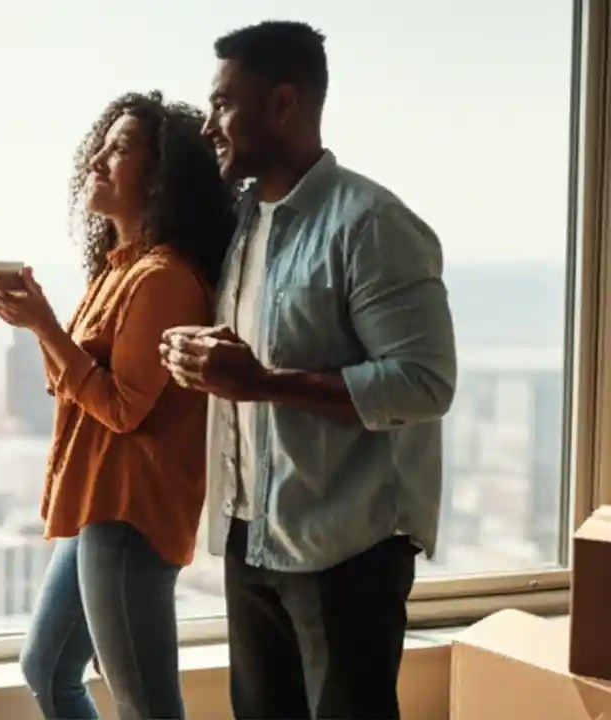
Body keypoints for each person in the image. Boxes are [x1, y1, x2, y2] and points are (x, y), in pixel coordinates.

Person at [160, 21, 457, 720]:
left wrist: (259, 383)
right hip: (250, 537)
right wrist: (207, 363)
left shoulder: (371, 224)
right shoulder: (247, 223)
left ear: (283, 104)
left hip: (346, 553)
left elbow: (425, 382)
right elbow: (262, 359)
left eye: (223, 104)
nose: (209, 126)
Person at [0, 91, 235, 719]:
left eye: (120, 149)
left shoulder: (164, 279)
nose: (97, 158)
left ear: (160, 179)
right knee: (46, 667)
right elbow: (75, 384)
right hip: (100, 501)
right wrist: (41, 323)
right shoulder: (116, 270)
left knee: (145, 705)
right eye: (103, 142)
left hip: (132, 515)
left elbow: (123, 408)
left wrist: (44, 327)